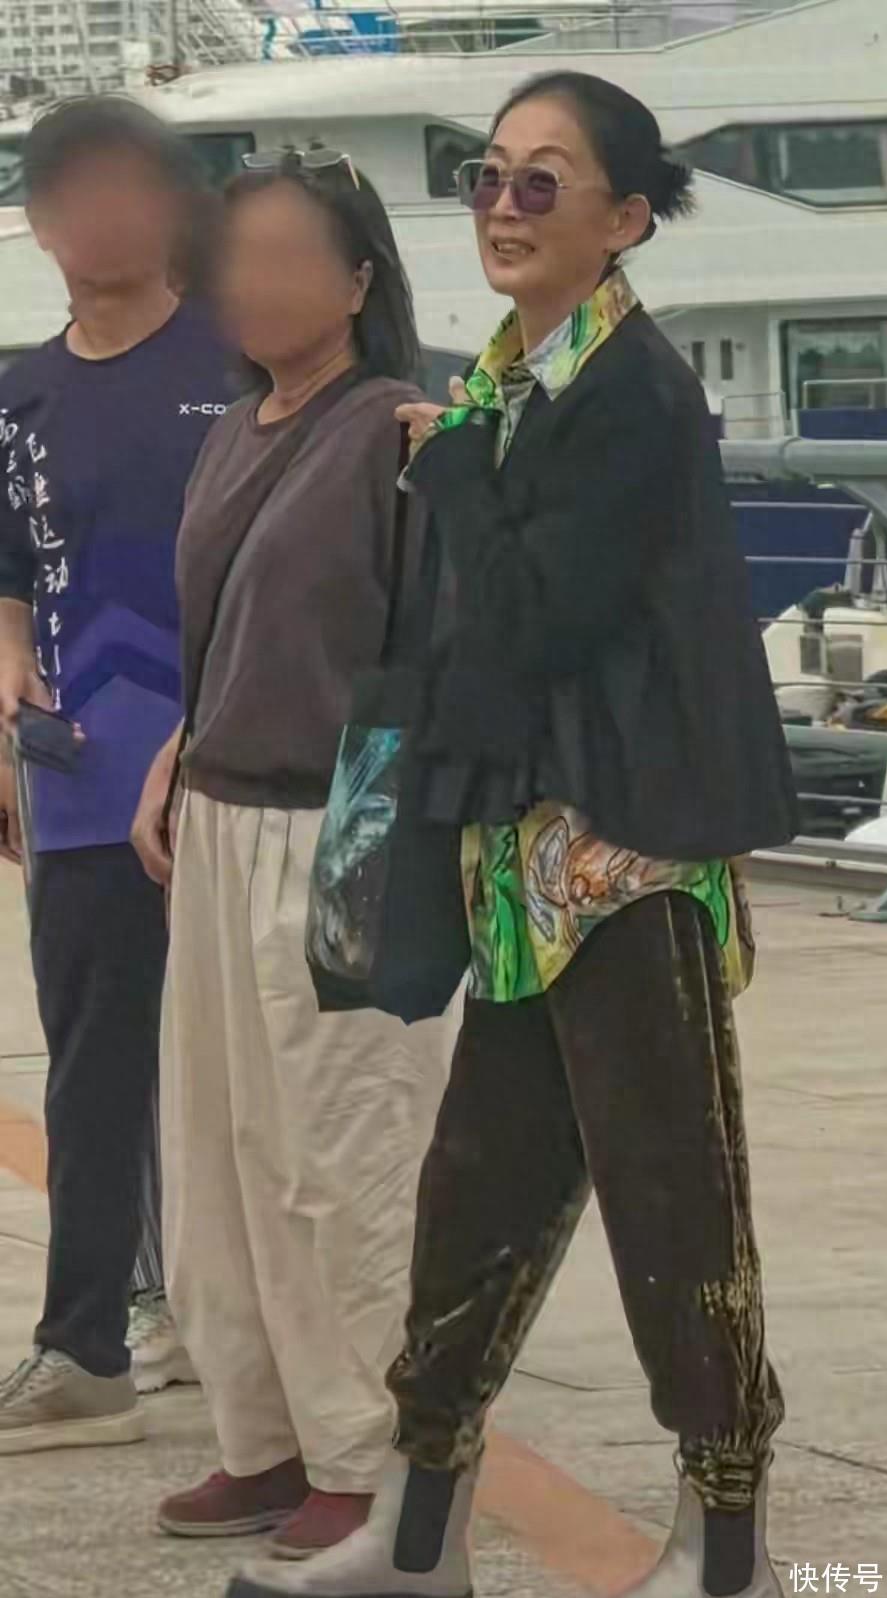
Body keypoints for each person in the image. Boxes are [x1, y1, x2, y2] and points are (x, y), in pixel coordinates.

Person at [230, 69, 798, 1598]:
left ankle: (726, 1551)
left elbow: (547, 614)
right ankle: (418, 1540)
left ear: (625, 220)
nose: (502, 206)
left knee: (678, 1209)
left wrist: (456, 469)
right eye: (487, 175)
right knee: (474, 1203)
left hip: (629, 865)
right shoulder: (507, 383)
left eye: (542, 182)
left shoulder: (630, 393)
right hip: (519, 871)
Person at [132, 150, 451, 1561]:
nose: (251, 286)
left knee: (344, 1146)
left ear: (360, 278)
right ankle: (261, 1439)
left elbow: (431, 645)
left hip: (348, 819)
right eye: (234, 261)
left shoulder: (400, 432)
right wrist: (178, 749)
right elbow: (233, 635)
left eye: (283, 258)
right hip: (221, 820)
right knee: (219, 1148)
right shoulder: (236, 428)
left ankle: (366, 1458)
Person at [0, 95, 232, 1452]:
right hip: (80, 768)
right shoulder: (20, 393)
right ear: (38, 224)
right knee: (92, 1066)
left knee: (241, 1064)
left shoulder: (238, 363)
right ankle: (83, 1346)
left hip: (234, 763)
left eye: (126, 188)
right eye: (70, 194)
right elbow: (12, 575)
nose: (99, 217)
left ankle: (216, 1313)